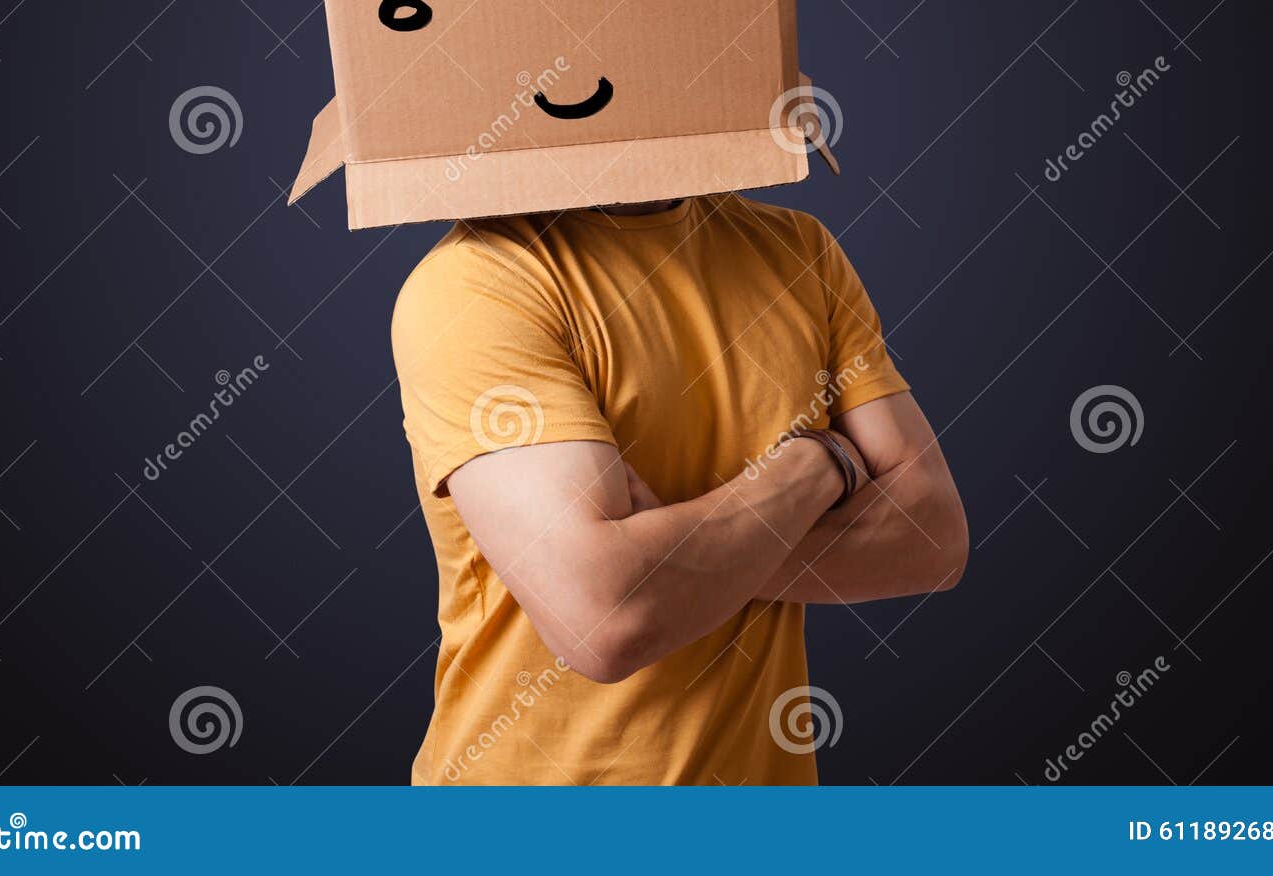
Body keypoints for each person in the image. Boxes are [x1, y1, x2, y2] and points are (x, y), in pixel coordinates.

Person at [390, 190, 968, 784]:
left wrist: (665, 561)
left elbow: (934, 539)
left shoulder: (798, 248)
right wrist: (817, 463)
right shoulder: (475, 284)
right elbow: (607, 623)